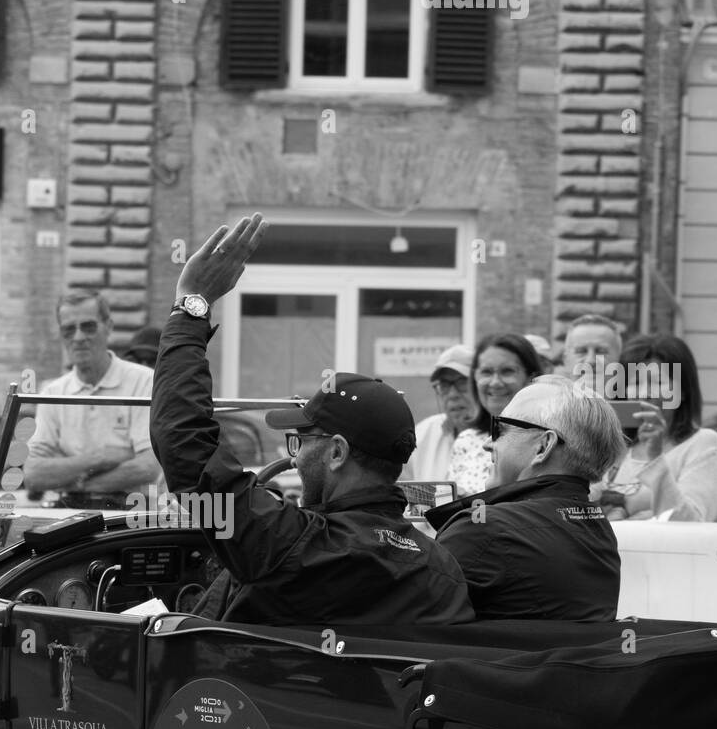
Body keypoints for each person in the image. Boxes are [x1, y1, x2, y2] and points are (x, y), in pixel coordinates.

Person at [150, 213, 474, 628]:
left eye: (302, 440)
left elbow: (183, 443)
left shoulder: (291, 543)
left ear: (337, 451)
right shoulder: (440, 567)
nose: (295, 458)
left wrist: (191, 305)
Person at [427, 375, 624, 621]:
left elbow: (394, 617)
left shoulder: (484, 529)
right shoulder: (599, 529)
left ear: (543, 447)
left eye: (500, 429)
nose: (488, 443)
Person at [23, 291, 158, 509]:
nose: (78, 338)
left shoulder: (144, 382)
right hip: (68, 520)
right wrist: (97, 458)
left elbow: (148, 467)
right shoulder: (53, 392)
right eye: (69, 329)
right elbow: (32, 474)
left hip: (129, 517)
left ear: (109, 327)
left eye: (88, 326)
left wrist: (73, 482)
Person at [596, 334, 717, 522]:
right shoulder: (613, 446)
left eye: (658, 383)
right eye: (636, 383)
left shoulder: (702, 443)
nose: (645, 392)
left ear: (684, 392)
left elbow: (690, 521)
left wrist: (655, 457)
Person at [448, 333, 544, 497]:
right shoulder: (466, 440)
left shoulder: (547, 442)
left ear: (531, 379)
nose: (495, 382)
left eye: (507, 371)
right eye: (486, 372)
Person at [401, 344, 478, 483]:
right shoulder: (423, 433)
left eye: (462, 382)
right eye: (445, 385)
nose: (453, 394)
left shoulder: (497, 437)